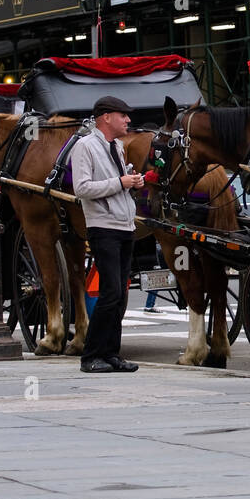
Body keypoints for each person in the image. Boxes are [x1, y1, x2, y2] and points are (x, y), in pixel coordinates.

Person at [71, 95, 144, 373]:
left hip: (125, 226)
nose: (127, 120)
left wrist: (131, 182)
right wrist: (120, 182)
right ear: (106, 117)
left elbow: (116, 182)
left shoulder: (118, 146)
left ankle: (112, 353)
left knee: (120, 296)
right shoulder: (85, 147)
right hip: (103, 227)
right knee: (110, 293)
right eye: (122, 115)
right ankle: (91, 356)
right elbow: (82, 188)